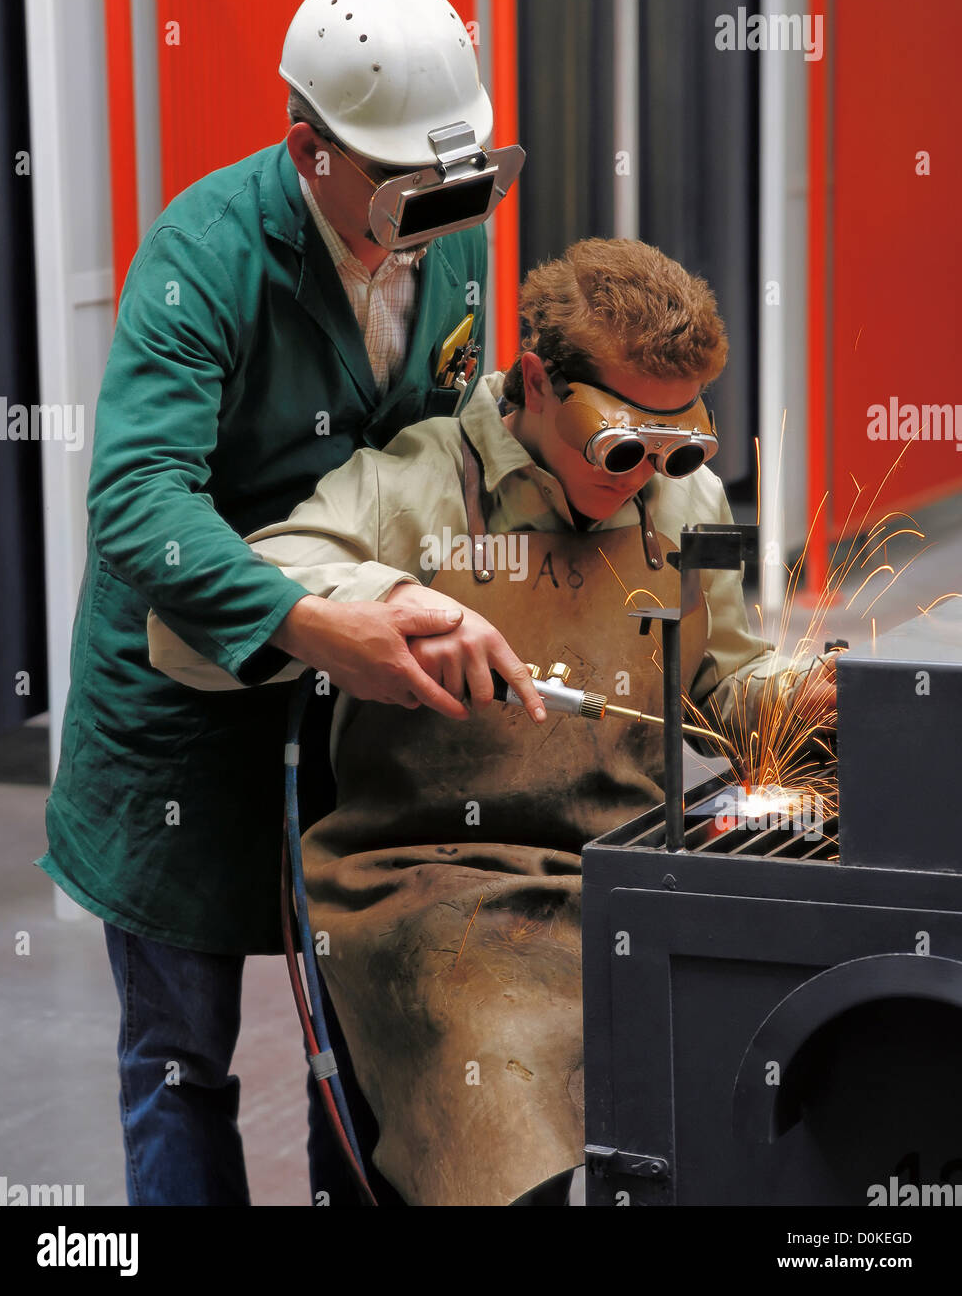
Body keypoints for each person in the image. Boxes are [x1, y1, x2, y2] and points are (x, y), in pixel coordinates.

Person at [149, 238, 837, 1205]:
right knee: (505, 1066)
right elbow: (236, 592)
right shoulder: (414, 483)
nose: (641, 474)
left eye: (671, 444)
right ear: (540, 382)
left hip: (625, 872)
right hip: (428, 886)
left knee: (755, 1042)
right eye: (619, 443)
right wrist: (387, 600)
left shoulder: (681, 497)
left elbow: (719, 685)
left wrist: (796, 697)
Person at [38, 0, 533, 1207]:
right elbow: (138, 502)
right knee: (181, 1063)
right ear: (309, 150)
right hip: (184, 712)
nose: (446, 212)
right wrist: (312, 626)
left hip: (360, 702)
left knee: (359, 1048)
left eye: (462, 179)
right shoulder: (203, 257)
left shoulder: (447, 224)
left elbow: (447, 427)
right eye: (410, 185)